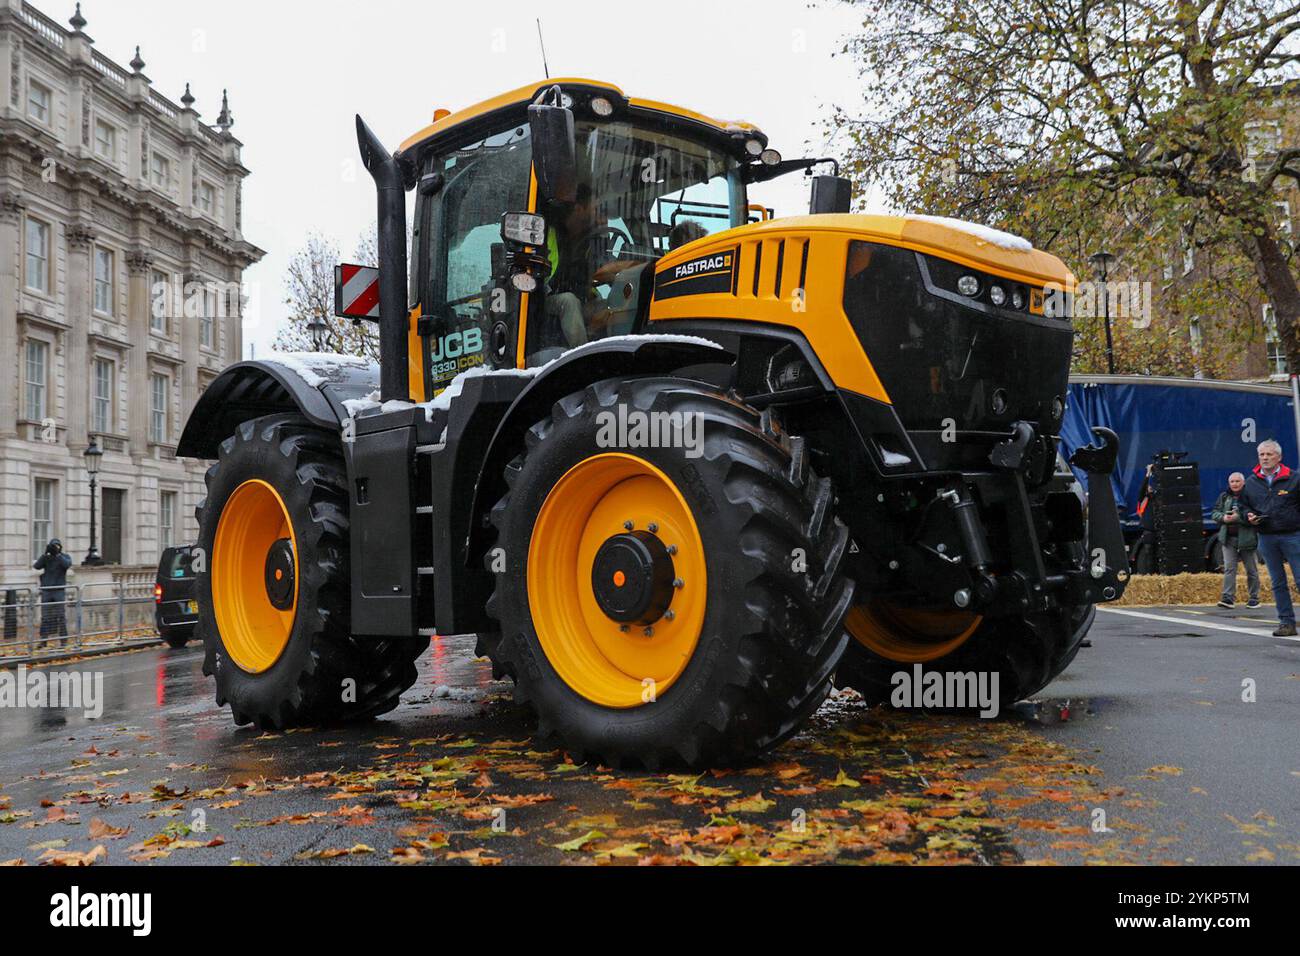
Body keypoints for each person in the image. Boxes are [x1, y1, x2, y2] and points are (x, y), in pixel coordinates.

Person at [1239, 439, 1300, 636]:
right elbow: (1243, 507)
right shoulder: (1250, 483)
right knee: (1277, 582)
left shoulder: (1294, 479)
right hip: (1266, 537)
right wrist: (1248, 517)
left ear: (1279, 457)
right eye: (1262, 455)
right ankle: (1286, 623)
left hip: (1293, 535)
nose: (1265, 458)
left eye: (1269, 454)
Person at [1212, 472, 1260, 609]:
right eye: (1232, 481)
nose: (1235, 484)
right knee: (1229, 569)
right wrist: (1223, 518)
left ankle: (1254, 598)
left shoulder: (1251, 497)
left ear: (1243, 482)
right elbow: (1215, 512)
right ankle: (1228, 598)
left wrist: (1237, 518)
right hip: (1228, 538)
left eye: (1237, 481)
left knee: (1251, 569)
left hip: (1247, 538)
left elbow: (1256, 515)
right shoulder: (1224, 496)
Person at [32, 537, 72, 646]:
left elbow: (67, 565)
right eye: (53, 546)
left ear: (60, 547)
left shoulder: (64, 557)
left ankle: (63, 641)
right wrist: (45, 555)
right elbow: (36, 566)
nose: (55, 548)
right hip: (47, 591)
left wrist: (58, 555)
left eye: (57, 546)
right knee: (45, 617)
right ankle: (43, 641)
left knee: (61, 616)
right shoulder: (46, 558)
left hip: (59, 591)